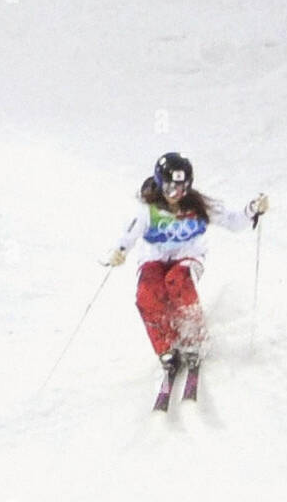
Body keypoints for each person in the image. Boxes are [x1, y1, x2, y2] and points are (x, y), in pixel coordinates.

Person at [105, 152, 269, 375]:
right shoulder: (148, 210)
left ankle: (194, 338)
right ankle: (166, 346)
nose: (175, 194)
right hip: (154, 257)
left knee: (177, 281)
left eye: (181, 189)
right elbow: (130, 233)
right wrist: (120, 251)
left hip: (188, 256)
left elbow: (233, 221)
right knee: (147, 294)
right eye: (170, 188)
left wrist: (252, 209)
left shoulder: (198, 206)